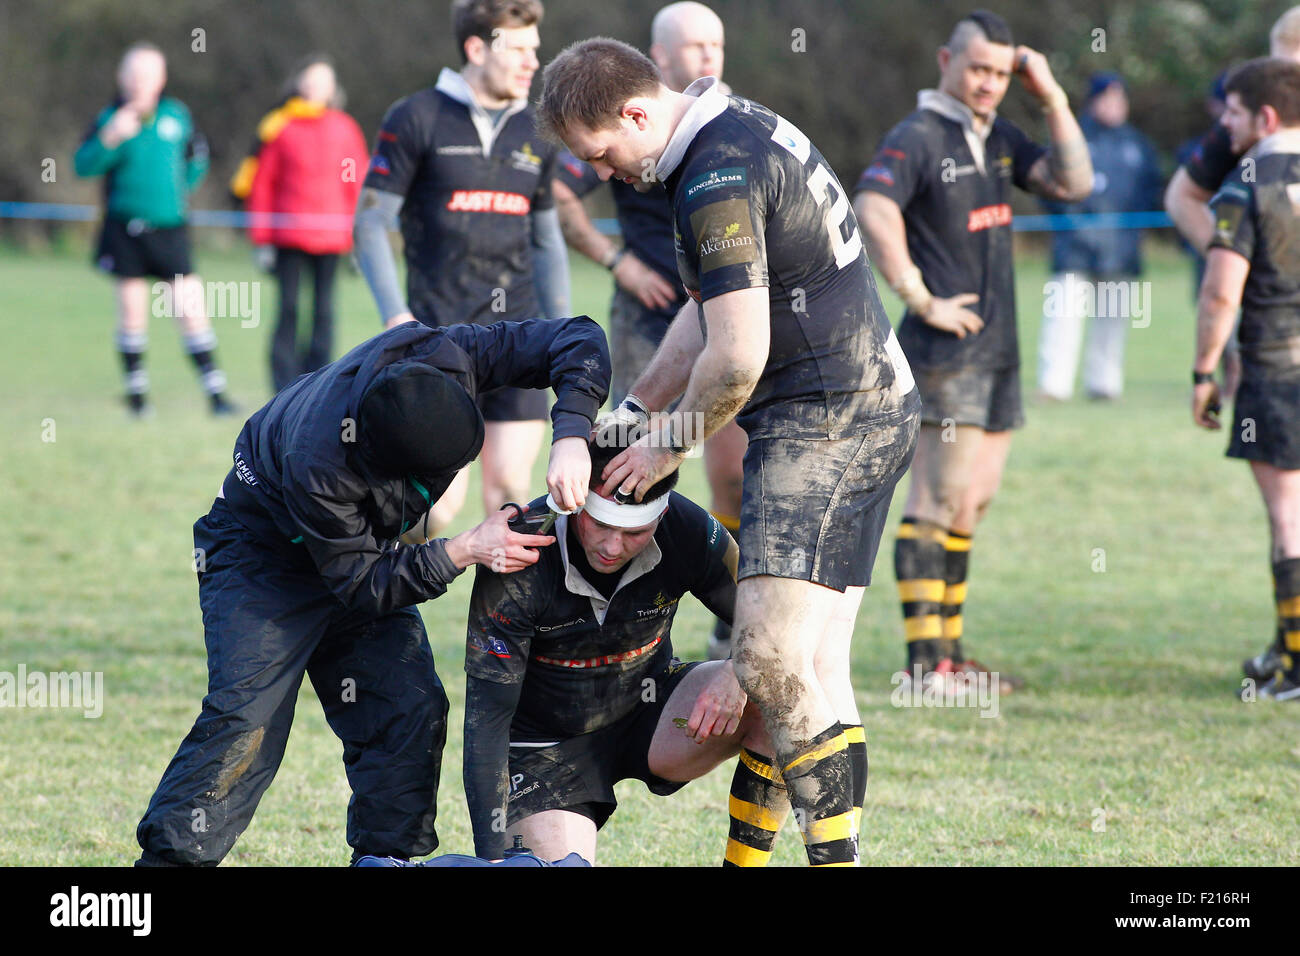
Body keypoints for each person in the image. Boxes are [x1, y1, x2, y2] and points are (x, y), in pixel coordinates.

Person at [539, 37, 920, 867]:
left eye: (601, 151)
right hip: (864, 406)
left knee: (766, 658)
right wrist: (640, 402)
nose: (603, 172)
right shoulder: (718, 132)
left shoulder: (713, 176)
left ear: (637, 113)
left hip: (827, 418)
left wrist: (667, 445)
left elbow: (739, 355)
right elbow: (707, 309)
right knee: (810, 666)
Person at [134, 314, 609, 865]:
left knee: (409, 707)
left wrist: (571, 433)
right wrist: (463, 549)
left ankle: (385, 861)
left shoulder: (448, 355)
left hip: (363, 552)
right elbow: (362, 585)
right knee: (245, 723)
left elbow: (579, 338)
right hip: (262, 557)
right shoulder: (320, 462)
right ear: (385, 464)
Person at [853, 10, 1093, 692]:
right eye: (978, 68)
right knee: (938, 498)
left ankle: (950, 654)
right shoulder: (920, 134)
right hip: (944, 350)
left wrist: (1052, 98)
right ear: (946, 61)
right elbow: (873, 206)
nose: (989, 83)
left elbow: (1074, 185)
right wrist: (918, 295)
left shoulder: (1002, 137)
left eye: (1000, 72)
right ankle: (925, 666)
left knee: (973, 503)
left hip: (1000, 353)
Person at [462, 434, 772, 864]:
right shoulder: (521, 551)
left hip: (651, 708)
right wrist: (492, 856)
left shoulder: (688, 527)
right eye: (600, 524)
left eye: (634, 533)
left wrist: (741, 669)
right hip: (544, 747)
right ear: (575, 502)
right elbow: (486, 719)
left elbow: (773, 618)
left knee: (774, 693)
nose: (611, 547)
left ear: (661, 516)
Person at [552, 0, 742, 660]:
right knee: (630, 467)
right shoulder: (615, 129)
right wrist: (616, 260)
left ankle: (729, 615)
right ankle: (615, 626)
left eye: (715, 44)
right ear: (658, 64)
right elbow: (559, 183)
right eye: (693, 47)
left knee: (728, 474)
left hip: (728, 323)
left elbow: (741, 352)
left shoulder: (724, 143)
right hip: (652, 322)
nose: (709, 58)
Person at [353, 0, 569, 533]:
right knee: (435, 509)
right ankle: (389, 607)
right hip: (437, 340)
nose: (530, 64)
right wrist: (394, 315)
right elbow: (370, 222)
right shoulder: (416, 117)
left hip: (518, 336)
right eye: (517, 49)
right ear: (476, 48)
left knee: (512, 498)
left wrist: (561, 332)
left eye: (533, 50)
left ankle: (501, 620)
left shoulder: (538, 129)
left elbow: (546, 238)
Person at [1191, 58, 1300, 701]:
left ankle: (1295, 669)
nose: (1223, 122)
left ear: (1264, 117)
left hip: (1277, 371)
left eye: (1231, 110)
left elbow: (1219, 294)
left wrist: (1204, 370)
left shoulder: (1247, 183)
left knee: (1289, 519)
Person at [74, 41, 236, 418]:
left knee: (190, 309)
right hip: (125, 229)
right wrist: (110, 138)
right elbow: (83, 165)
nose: (139, 81)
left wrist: (178, 191)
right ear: (121, 77)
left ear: (161, 78)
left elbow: (196, 159)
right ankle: (137, 398)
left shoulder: (177, 116)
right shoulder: (109, 119)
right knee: (132, 312)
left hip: (170, 230)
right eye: (132, 73)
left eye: (148, 74)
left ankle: (216, 394)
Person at [1165, 7, 1300, 400]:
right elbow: (1182, 197)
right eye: (1281, 70)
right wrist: (1240, 263)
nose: (1288, 85)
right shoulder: (1249, 123)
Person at [240, 55, 369, 392]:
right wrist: (261, 240)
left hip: (332, 239)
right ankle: (283, 384)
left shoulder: (345, 128)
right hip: (288, 237)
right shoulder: (279, 127)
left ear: (332, 89)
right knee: (288, 309)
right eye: (309, 81)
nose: (314, 88)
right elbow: (262, 185)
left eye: (322, 82)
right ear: (298, 84)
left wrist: (361, 239)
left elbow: (356, 186)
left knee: (324, 310)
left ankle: (319, 381)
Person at [1037, 72, 1163, 402]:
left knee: (1112, 322)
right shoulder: (1071, 137)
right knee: (1062, 318)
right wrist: (1079, 226)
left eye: (1120, 98)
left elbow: (1151, 192)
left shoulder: (1137, 145)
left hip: (1120, 251)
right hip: (1075, 248)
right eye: (1107, 98)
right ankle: (1053, 385)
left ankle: (1104, 384)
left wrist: (1132, 236)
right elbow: (1049, 189)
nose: (1114, 105)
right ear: (1093, 101)